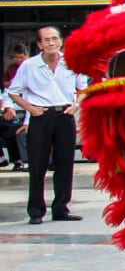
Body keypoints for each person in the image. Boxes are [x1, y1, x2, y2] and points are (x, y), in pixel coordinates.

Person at [7, 26, 84, 223]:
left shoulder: (71, 62)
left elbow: (84, 89)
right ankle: (36, 211)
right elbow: (13, 91)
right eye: (47, 40)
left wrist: (76, 106)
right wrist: (30, 108)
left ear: (61, 41)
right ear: (40, 44)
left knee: (65, 164)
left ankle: (61, 209)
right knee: (37, 164)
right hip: (41, 117)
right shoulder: (29, 65)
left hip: (64, 115)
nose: (51, 43)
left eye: (55, 39)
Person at [1, 43, 27, 170]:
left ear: (26, 56)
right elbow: (7, 89)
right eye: (15, 57)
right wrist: (8, 107)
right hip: (12, 107)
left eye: (20, 57)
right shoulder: (11, 69)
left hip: (27, 109)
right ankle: (2, 158)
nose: (18, 60)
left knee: (11, 132)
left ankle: (19, 160)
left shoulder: (30, 67)